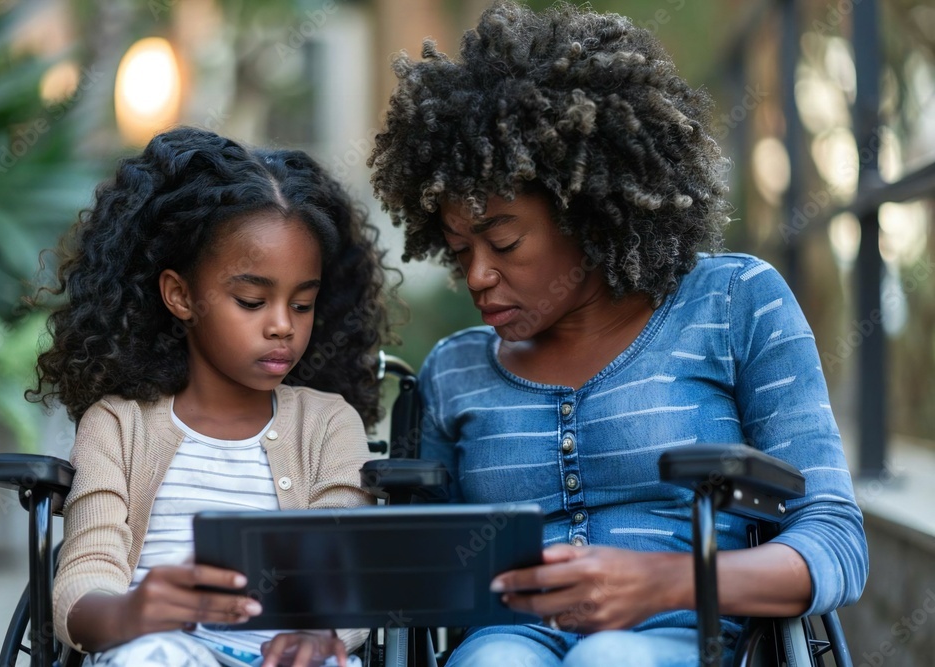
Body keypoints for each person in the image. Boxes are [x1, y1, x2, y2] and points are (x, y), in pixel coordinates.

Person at [368, 2, 868, 666]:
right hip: (507, 637)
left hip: (695, 635)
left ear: (587, 213)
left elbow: (836, 541)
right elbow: (420, 573)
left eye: (505, 242)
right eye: (461, 252)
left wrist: (673, 581)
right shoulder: (454, 370)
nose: (478, 275)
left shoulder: (733, 303)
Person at [29, 126, 391, 667]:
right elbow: (86, 575)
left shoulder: (328, 425)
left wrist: (320, 632)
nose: (282, 326)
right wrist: (133, 611)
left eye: (302, 305)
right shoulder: (118, 426)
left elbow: (347, 565)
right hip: (158, 650)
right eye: (251, 301)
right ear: (180, 295)